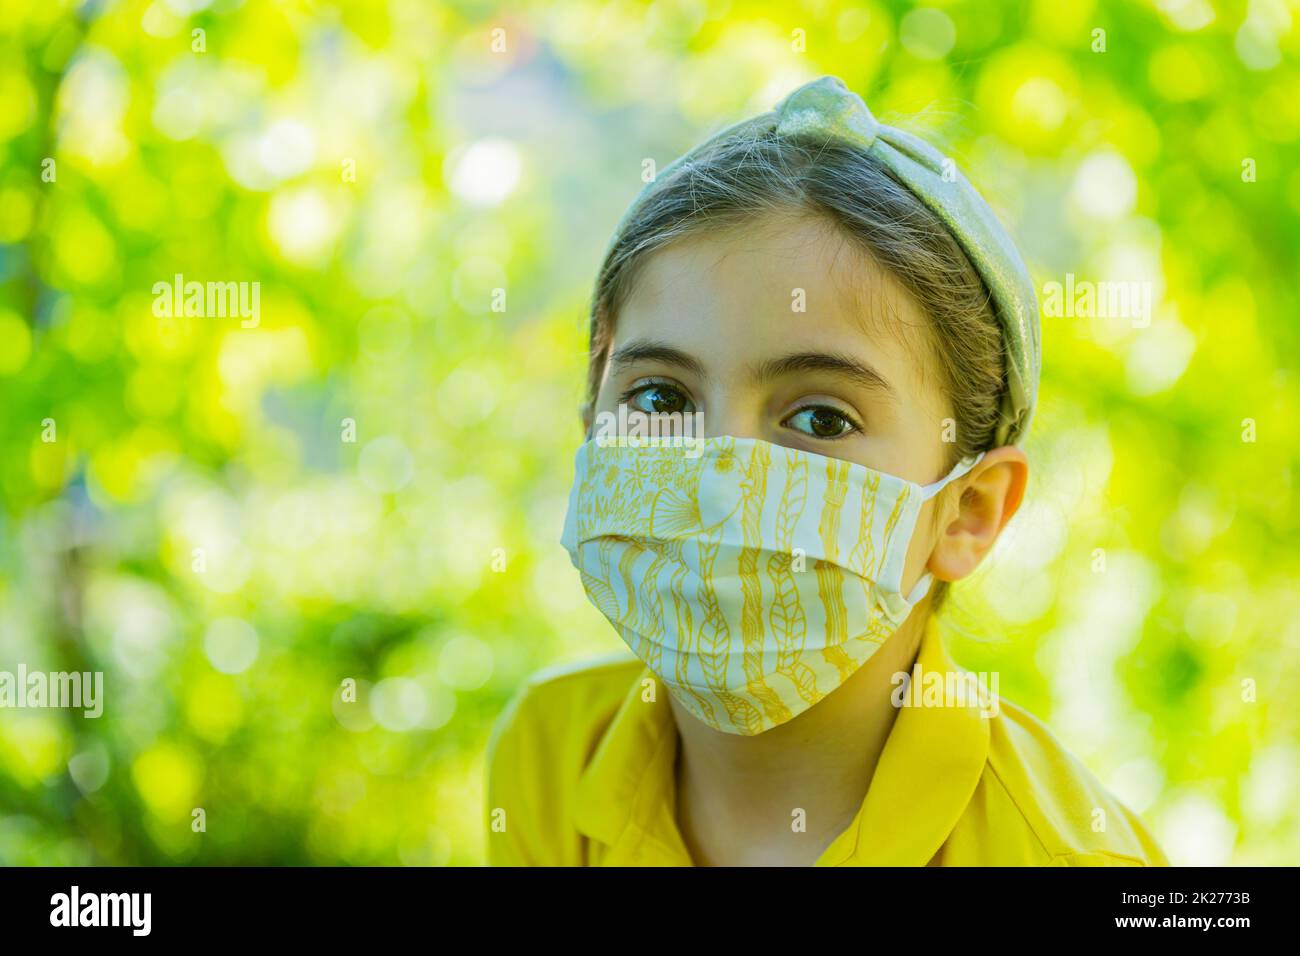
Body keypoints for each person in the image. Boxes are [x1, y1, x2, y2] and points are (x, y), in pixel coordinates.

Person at [485, 75, 1168, 867]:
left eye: (820, 419)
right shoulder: (546, 756)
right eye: (661, 396)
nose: (718, 478)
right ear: (590, 434)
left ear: (968, 511)